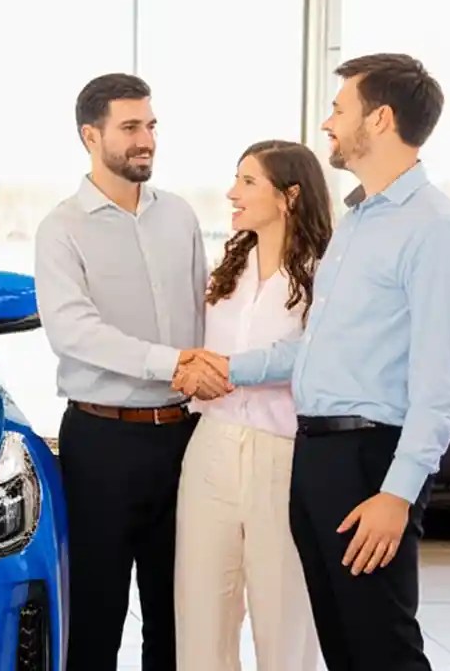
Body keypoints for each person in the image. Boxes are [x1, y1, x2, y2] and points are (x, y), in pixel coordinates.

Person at [177, 53, 450, 671]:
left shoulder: (435, 229)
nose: (327, 124)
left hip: (369, 461)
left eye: (340, 110)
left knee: (380, 647)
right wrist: (226, 367)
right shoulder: (360, 220)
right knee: (342, 645)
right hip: (318, 455)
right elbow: (314, 347)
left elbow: (443, 385)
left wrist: (397, 494)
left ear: (382, 119)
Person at [34, 72, 217, 671]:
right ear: (91, 135)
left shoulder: (181, 217)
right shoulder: (61, 228)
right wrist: (174, 363)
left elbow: (201, 311)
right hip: (102, 442)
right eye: (131, 127)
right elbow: (74, 332)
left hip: (183, 438)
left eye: (152, 126)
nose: (147, 140)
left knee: (177, 614)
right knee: (96, 615)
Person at [172, 140, 332, 671]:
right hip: (211, 446)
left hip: (283, 455)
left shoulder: (324, 275)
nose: (231, 193)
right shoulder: (227, 273)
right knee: (201, 615)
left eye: (247, 182)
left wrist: (223, 369)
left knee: (283, 616)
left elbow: (310, 356)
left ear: (289, 195)